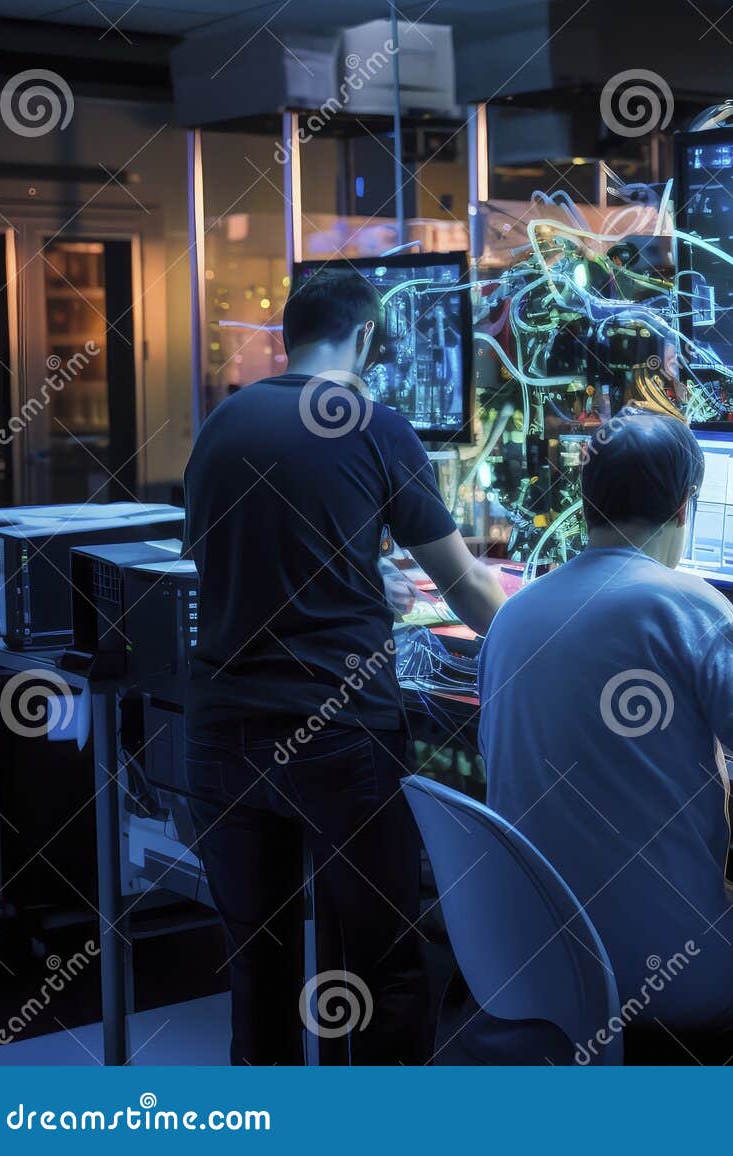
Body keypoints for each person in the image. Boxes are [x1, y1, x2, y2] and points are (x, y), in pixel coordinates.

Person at [182, 267, 507, 1065]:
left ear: (287, 337)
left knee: (257, 968)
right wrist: (536, 643)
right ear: (364, 338)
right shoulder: (372, 424)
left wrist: (358, 572)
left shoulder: (221, 425)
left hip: (222, 732)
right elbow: (464, 582)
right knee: (381, 965)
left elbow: (247, 560)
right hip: (335, 731)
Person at [479, 410, 733, 1036]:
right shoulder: (688, 605)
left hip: (536, 968)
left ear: (585, 500)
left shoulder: (513, 616)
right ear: (687, 506)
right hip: (672, 972)